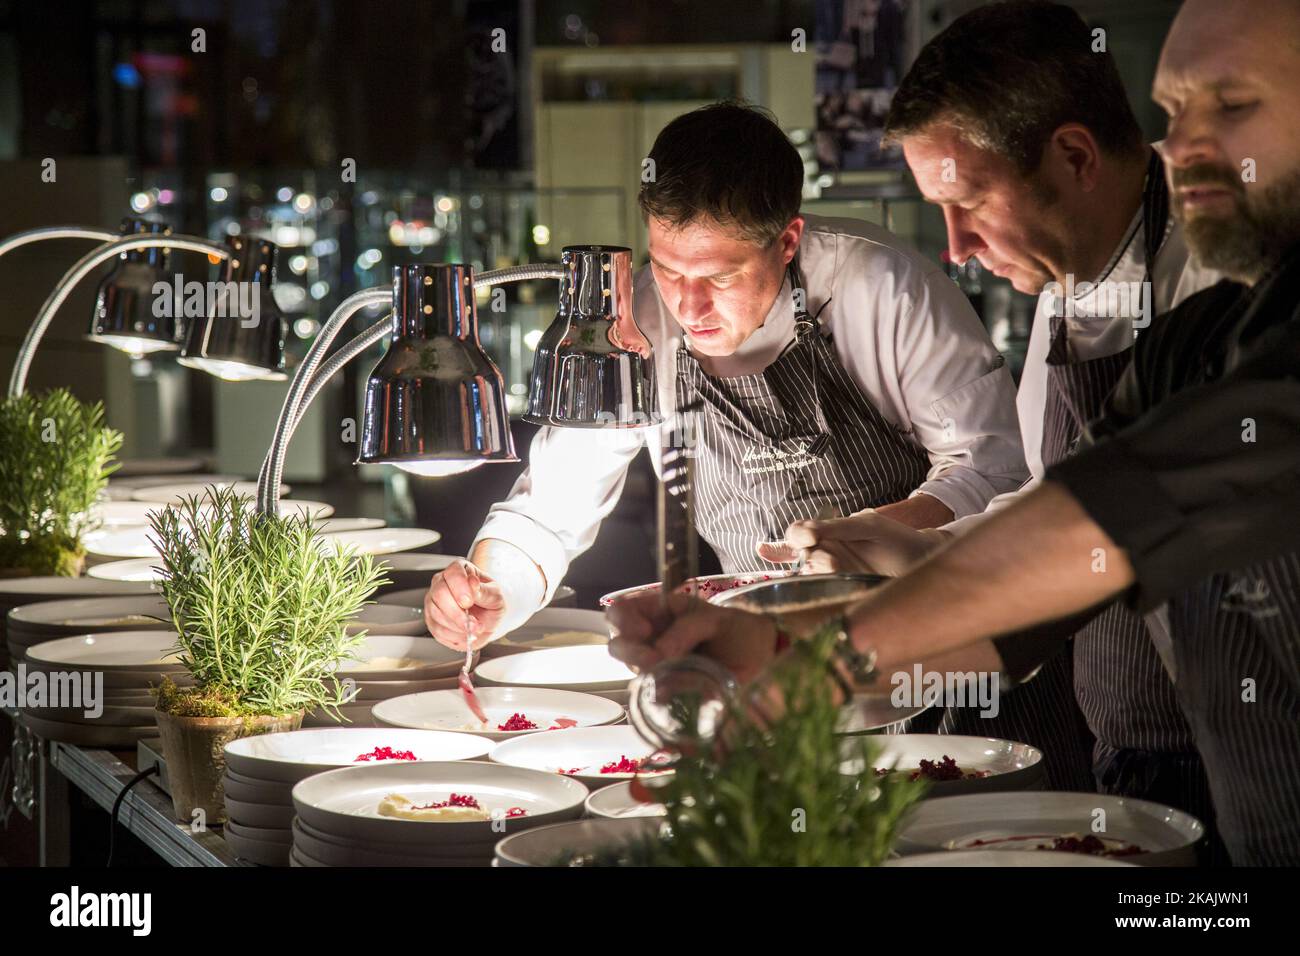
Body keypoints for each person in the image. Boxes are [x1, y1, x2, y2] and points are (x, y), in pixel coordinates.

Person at [608, 0, 1300, 867]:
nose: (1183, 145)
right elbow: (1049, 576)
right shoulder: (1190, 339)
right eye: (1172, 113)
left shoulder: (1264, 350)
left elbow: (1117, 512)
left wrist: (820, 668)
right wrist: (776, 644)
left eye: (1233, 107)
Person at [766, 0, 1225, 831]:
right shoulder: (1066, 275)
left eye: (970, 203)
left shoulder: (1221, 279)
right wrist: (918, 550)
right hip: (1123, 753)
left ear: (1075, 156)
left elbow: (1118, 529)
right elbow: (1059, 498)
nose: (955, 247)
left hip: (1238, 764)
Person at [425, 102, 1026, 657]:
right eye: (667, 269)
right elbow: (553, 506)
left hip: (941, 638)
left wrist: (872, 537)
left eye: (720, 278)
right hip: (771, 661)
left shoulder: (884, 288)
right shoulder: (636, 324)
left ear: (787, 240)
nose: (689, 308)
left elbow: (995, 470)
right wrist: (494, 589)